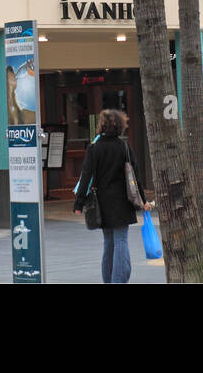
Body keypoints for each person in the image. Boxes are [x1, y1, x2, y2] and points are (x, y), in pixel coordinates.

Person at [72, 108, 147, 284]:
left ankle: (109, 280)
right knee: (121, 240)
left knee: (108, 242)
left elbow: (86, 176)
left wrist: (79, 203)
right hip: (122, 200)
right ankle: (119, 280)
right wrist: (142, 200)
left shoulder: (94, 148)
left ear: (101, 125)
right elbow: (135, 176)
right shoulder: (124, 147)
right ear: (121, 126)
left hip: (102, 202)